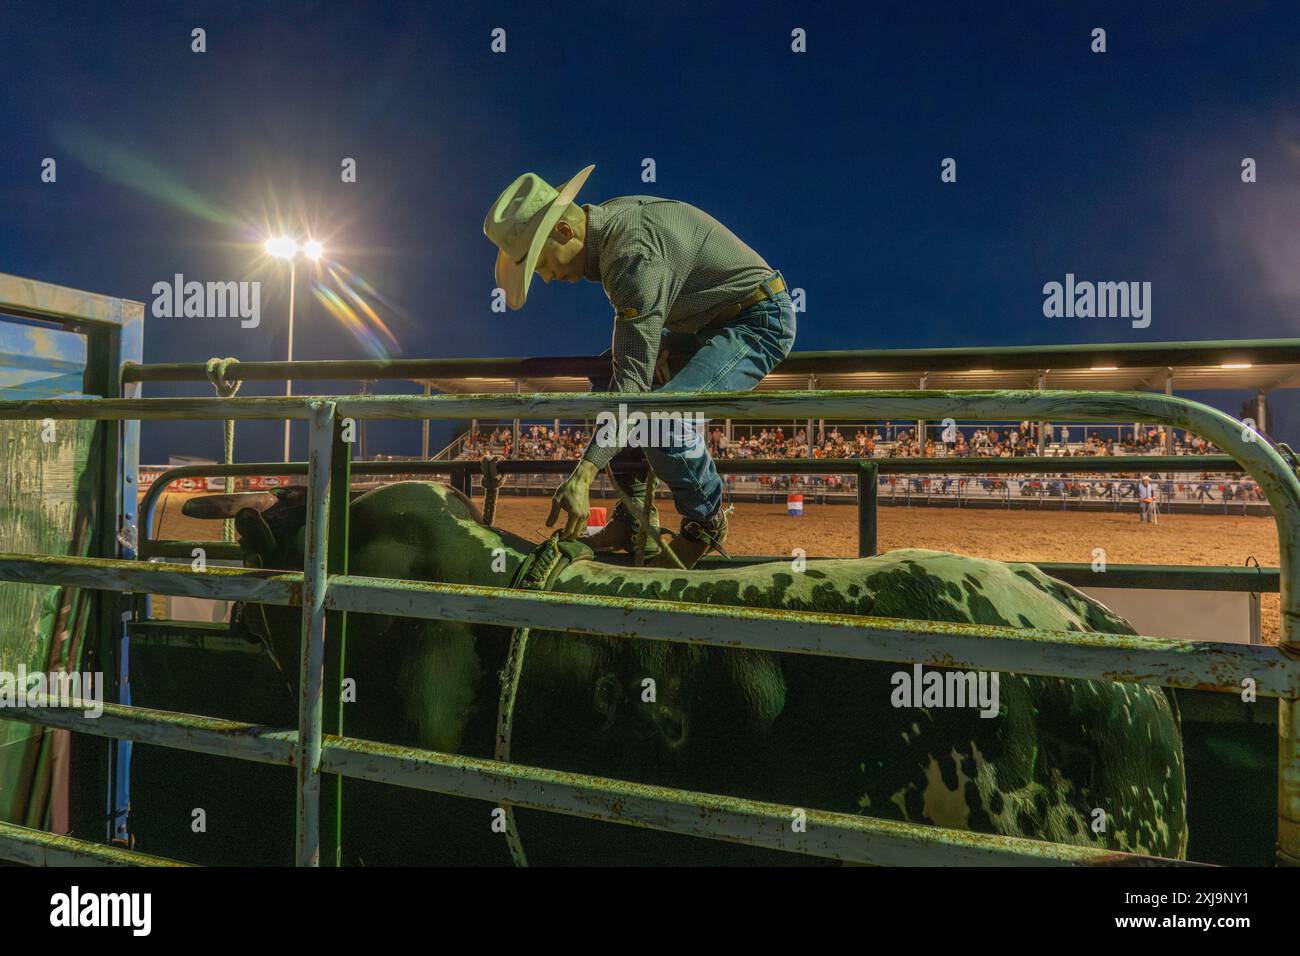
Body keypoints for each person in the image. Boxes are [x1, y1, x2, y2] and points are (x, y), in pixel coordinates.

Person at [483, 165, 795, 567]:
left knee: (663, 419)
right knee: (606, 375)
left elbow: (630, 386)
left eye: (538, 262)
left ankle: (705, 521)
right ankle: (634, 519)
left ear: (563, 231)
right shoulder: (614, 222)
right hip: (709, 317)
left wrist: (584, 472)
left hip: (756, 321)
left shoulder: (630, 256)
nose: (545, 277)